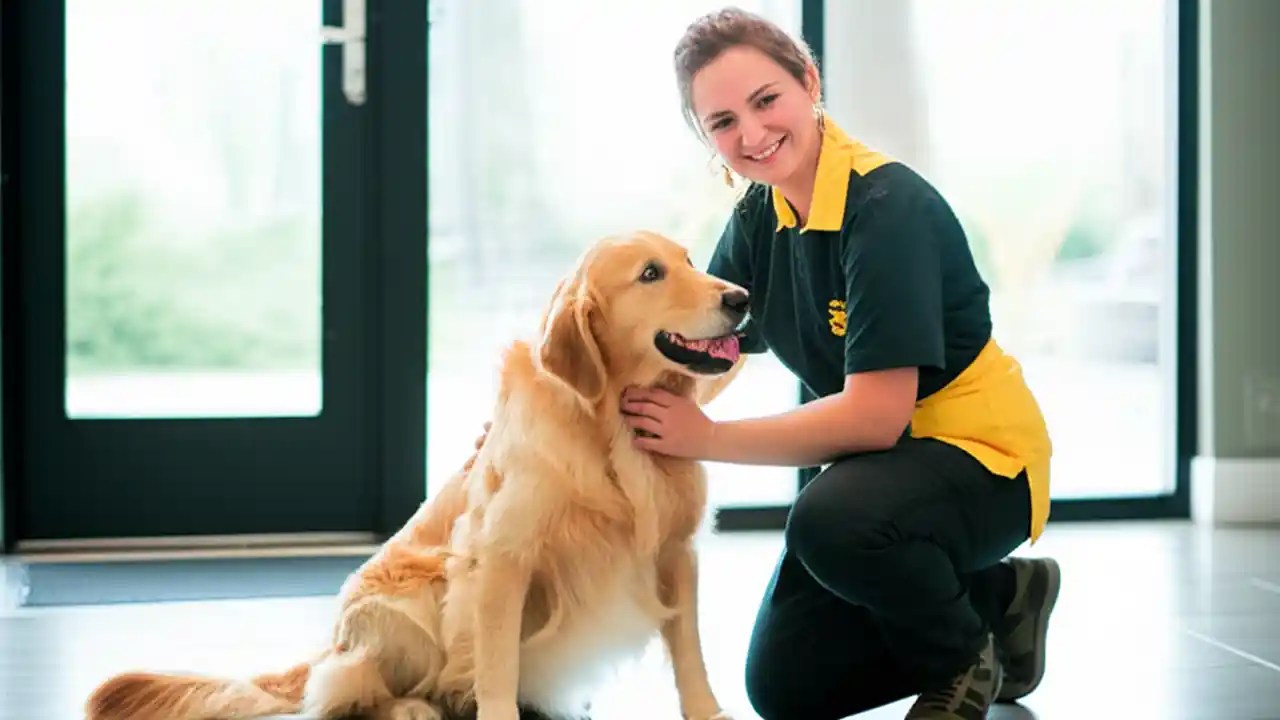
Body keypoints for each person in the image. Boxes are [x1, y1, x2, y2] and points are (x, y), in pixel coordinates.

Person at [616, 7, 1061, 720]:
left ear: (809, 81)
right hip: (883, 481)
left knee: (827, 522)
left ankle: (959, 657)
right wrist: (589, 407)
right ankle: (1000, 598)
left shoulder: (886, 211)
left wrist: (705, 440)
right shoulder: (762, 218)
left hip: (983, 463)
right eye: (723, 122)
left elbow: (876, 418)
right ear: (705, 137)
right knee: (788, 687)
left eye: (766, 101)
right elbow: (709, 344)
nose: (752, 135)